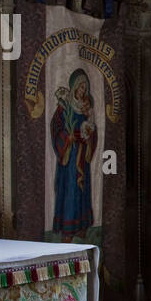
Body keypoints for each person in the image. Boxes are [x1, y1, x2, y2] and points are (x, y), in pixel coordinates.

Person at [51, 67, 97, 239]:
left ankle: (81, 227)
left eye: (85, 88)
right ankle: (67, 230)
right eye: (80, 87)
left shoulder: (87, 108)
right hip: (69, 155)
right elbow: (56, 127)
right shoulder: (64, 106)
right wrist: (66, 138)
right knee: (70, 189)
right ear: (73, 87)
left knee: (83, 189)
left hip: (82, 153)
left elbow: (93, 130)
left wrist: (88, 136)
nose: (82, 91)